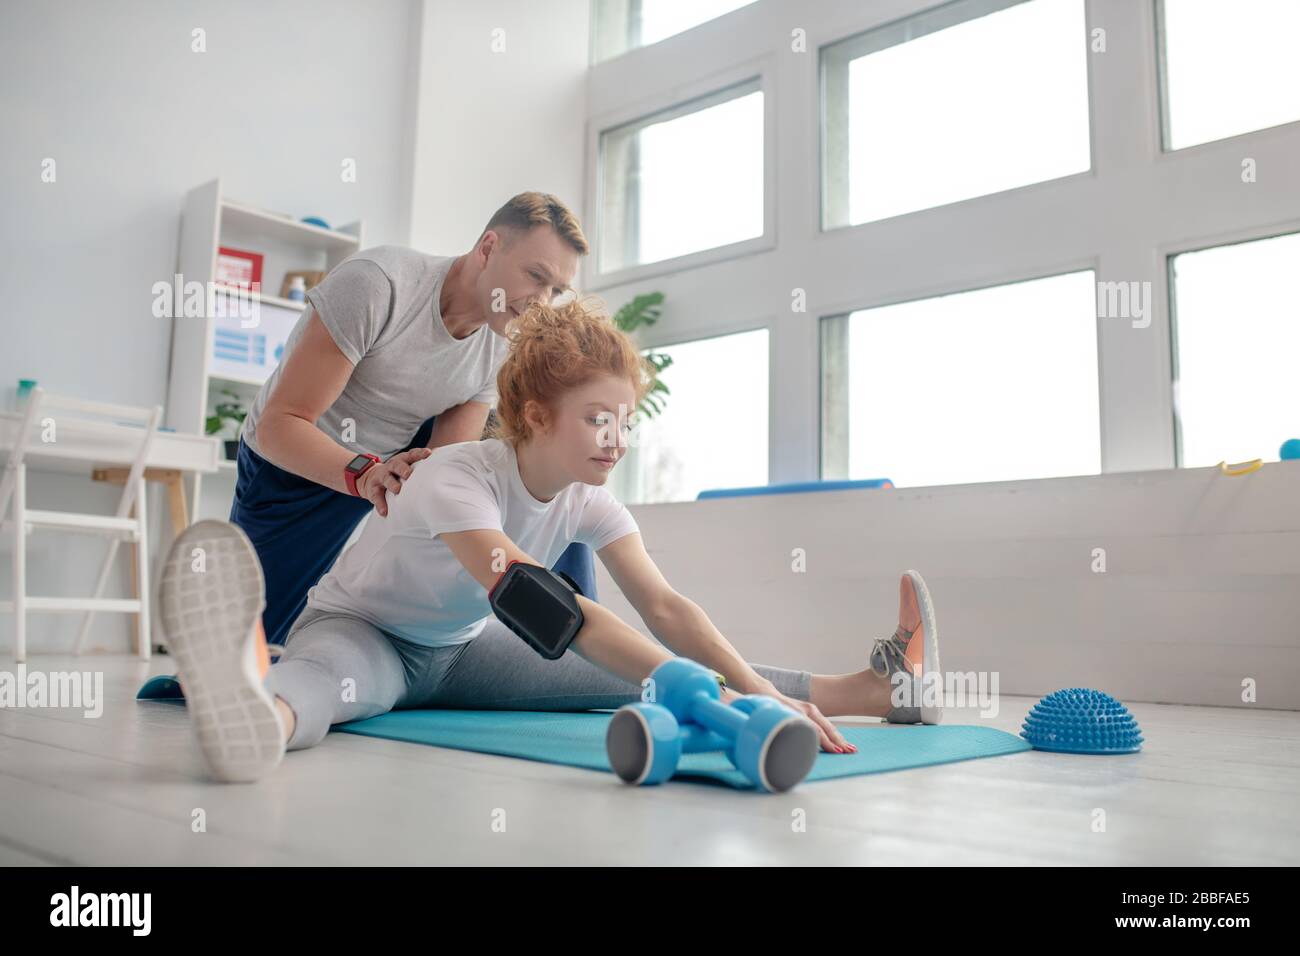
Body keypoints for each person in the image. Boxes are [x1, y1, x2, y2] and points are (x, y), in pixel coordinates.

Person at [158, 297, 942, 783]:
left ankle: (881, 692)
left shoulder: (584, 496)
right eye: (602, 421)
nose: (619, 441)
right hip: (368, 633)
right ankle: (259, 719)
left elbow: (666, 608)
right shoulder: (453, 478)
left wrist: (756, 693)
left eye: (626, 423)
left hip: (460, 650)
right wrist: (701, 690)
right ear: (535, 416)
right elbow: (540, 604)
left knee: (647, 672)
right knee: (327, 683)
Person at [232, 192, 597, 646]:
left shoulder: (499, 344)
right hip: (295, 463)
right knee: (254, 642)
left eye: (556, 291)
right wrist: (366, 474)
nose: (542, 302)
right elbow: (279, 424)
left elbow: (445, 467)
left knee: (533, 469)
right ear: (488, 248)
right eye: (536, 276)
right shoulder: (379, 284)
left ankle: (581, 640)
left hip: (389, 464)